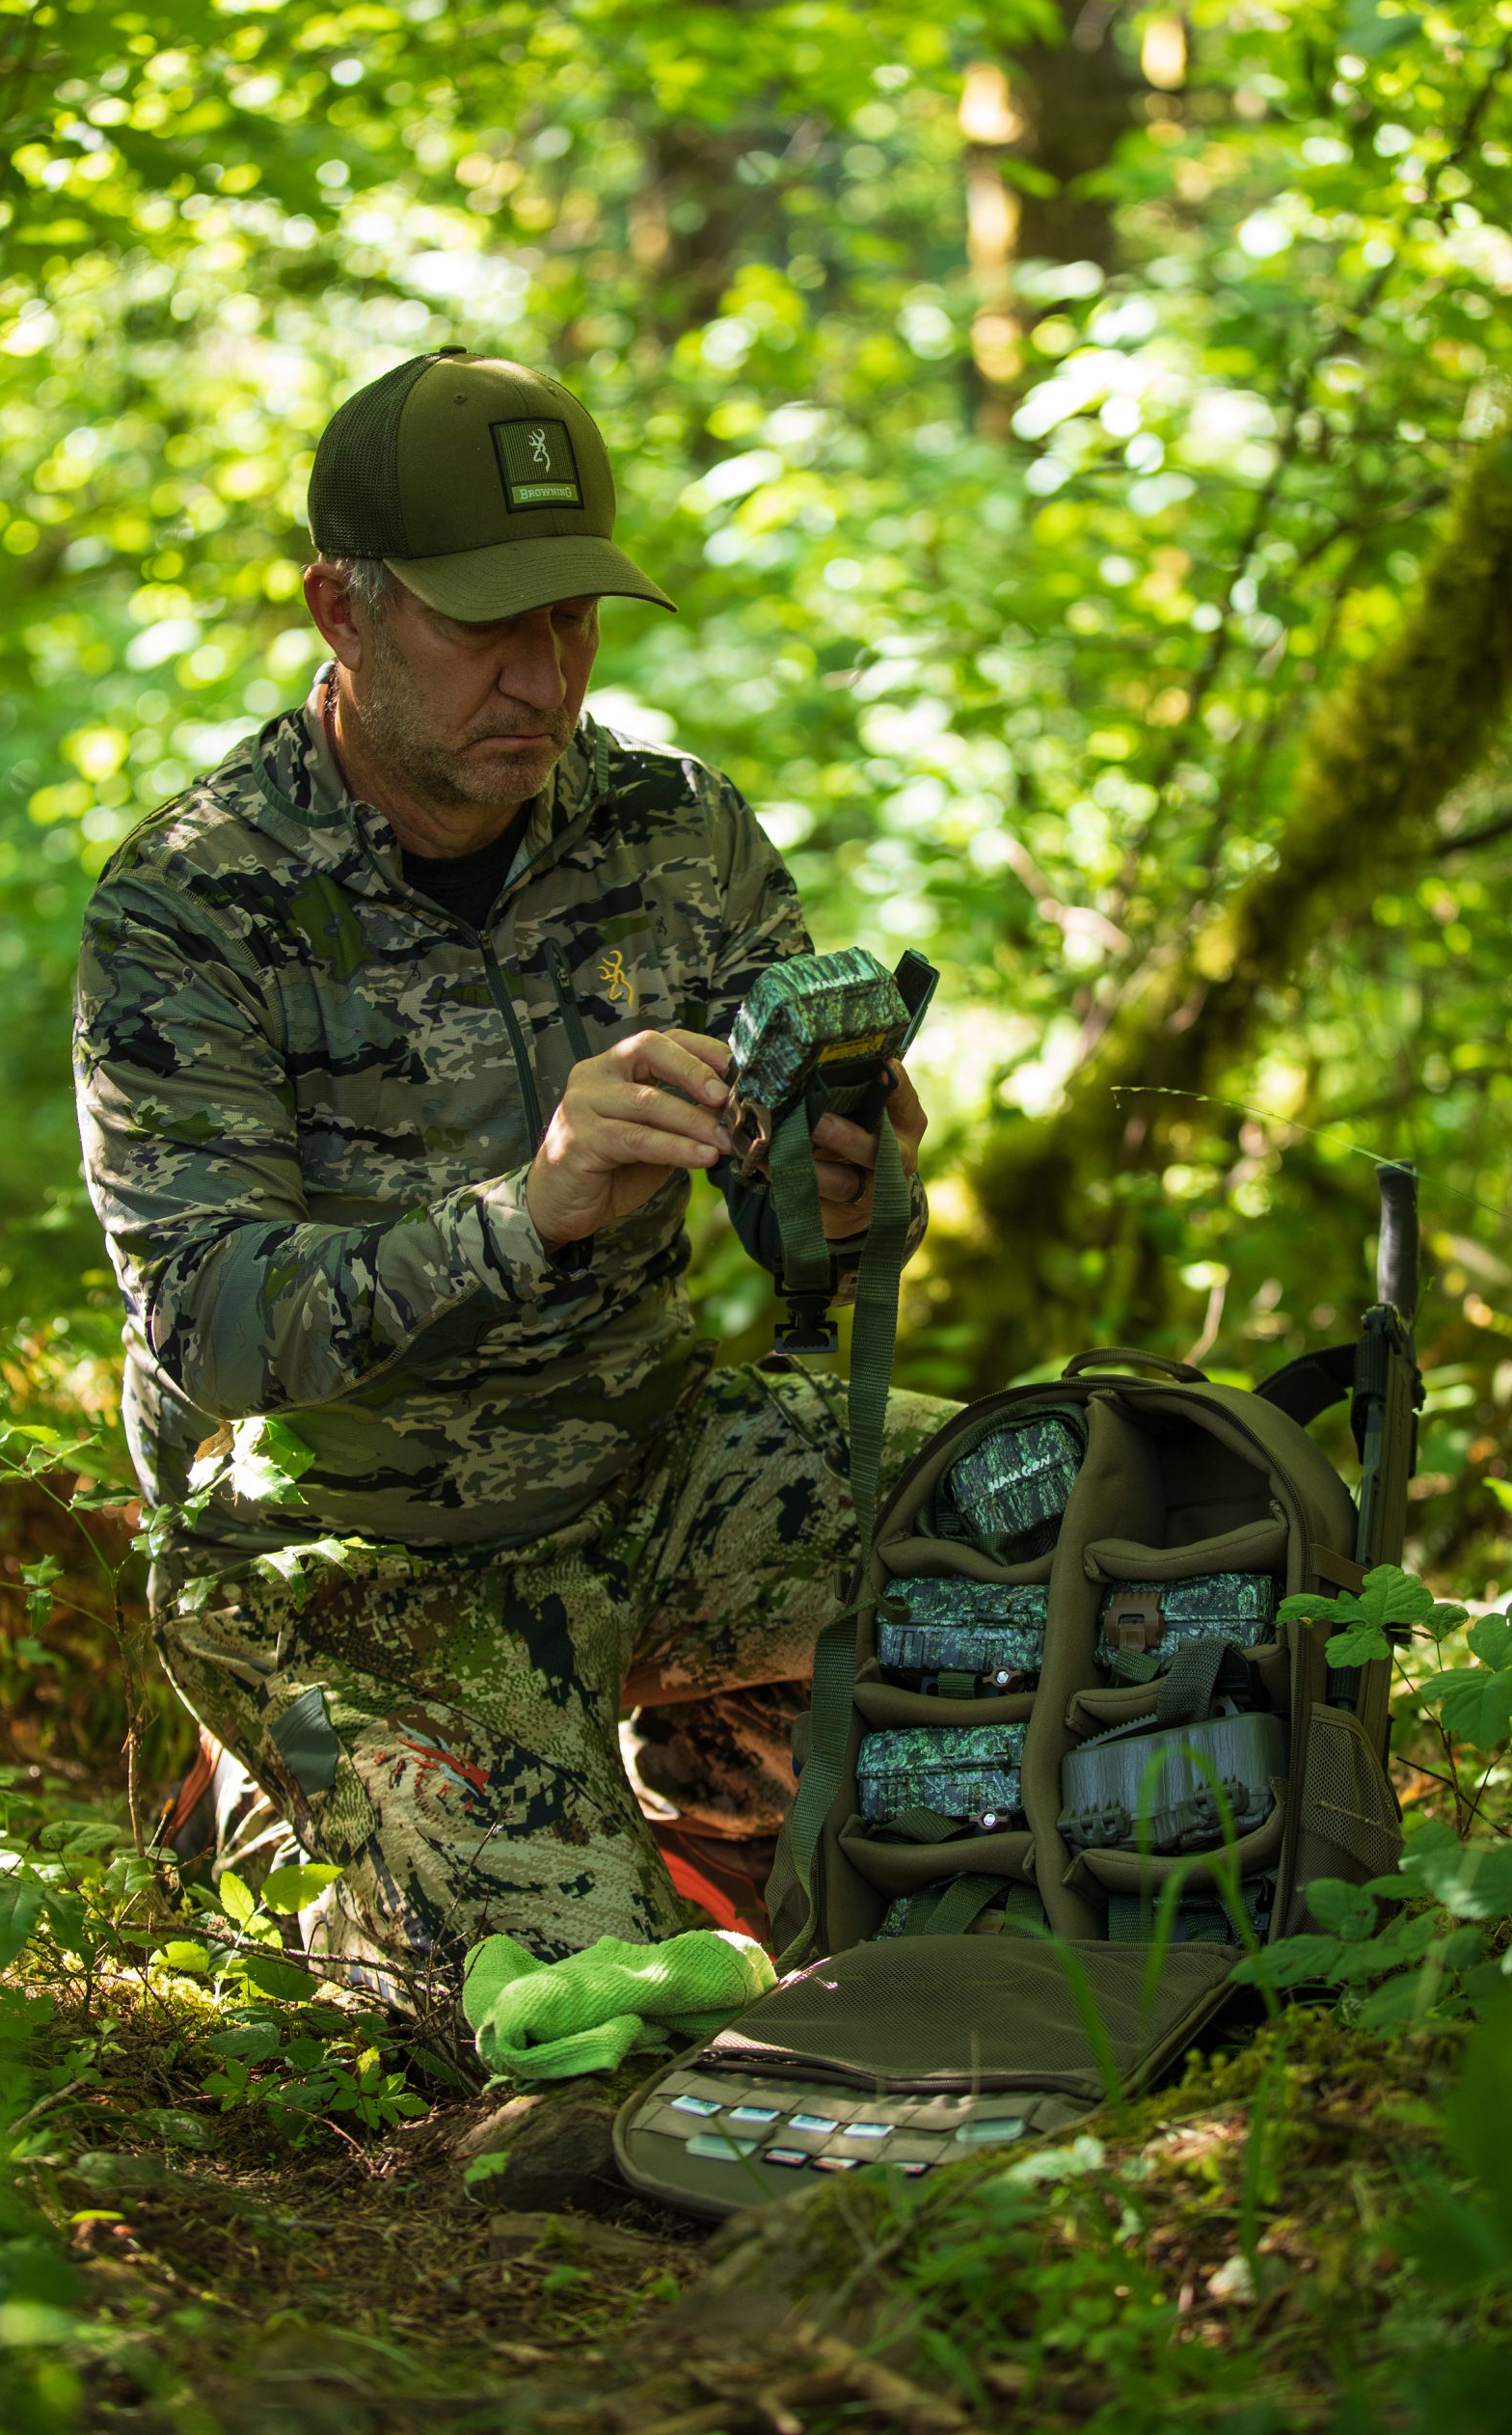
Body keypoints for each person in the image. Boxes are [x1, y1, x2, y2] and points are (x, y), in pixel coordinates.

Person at [73, 349, 948, 1991]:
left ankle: (711, 1792)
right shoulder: (195, 903)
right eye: (487, 625)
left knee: (1049, 1522)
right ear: (341, 610)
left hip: (653, 1471)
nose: (543, 680)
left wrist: (839, 1192)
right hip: (348, 1556)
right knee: (585, 2001)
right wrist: (526, 1216)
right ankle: (291, 1816)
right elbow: (207, 1322)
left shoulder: (674, 833)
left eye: (573, 620)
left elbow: (796, 1219)